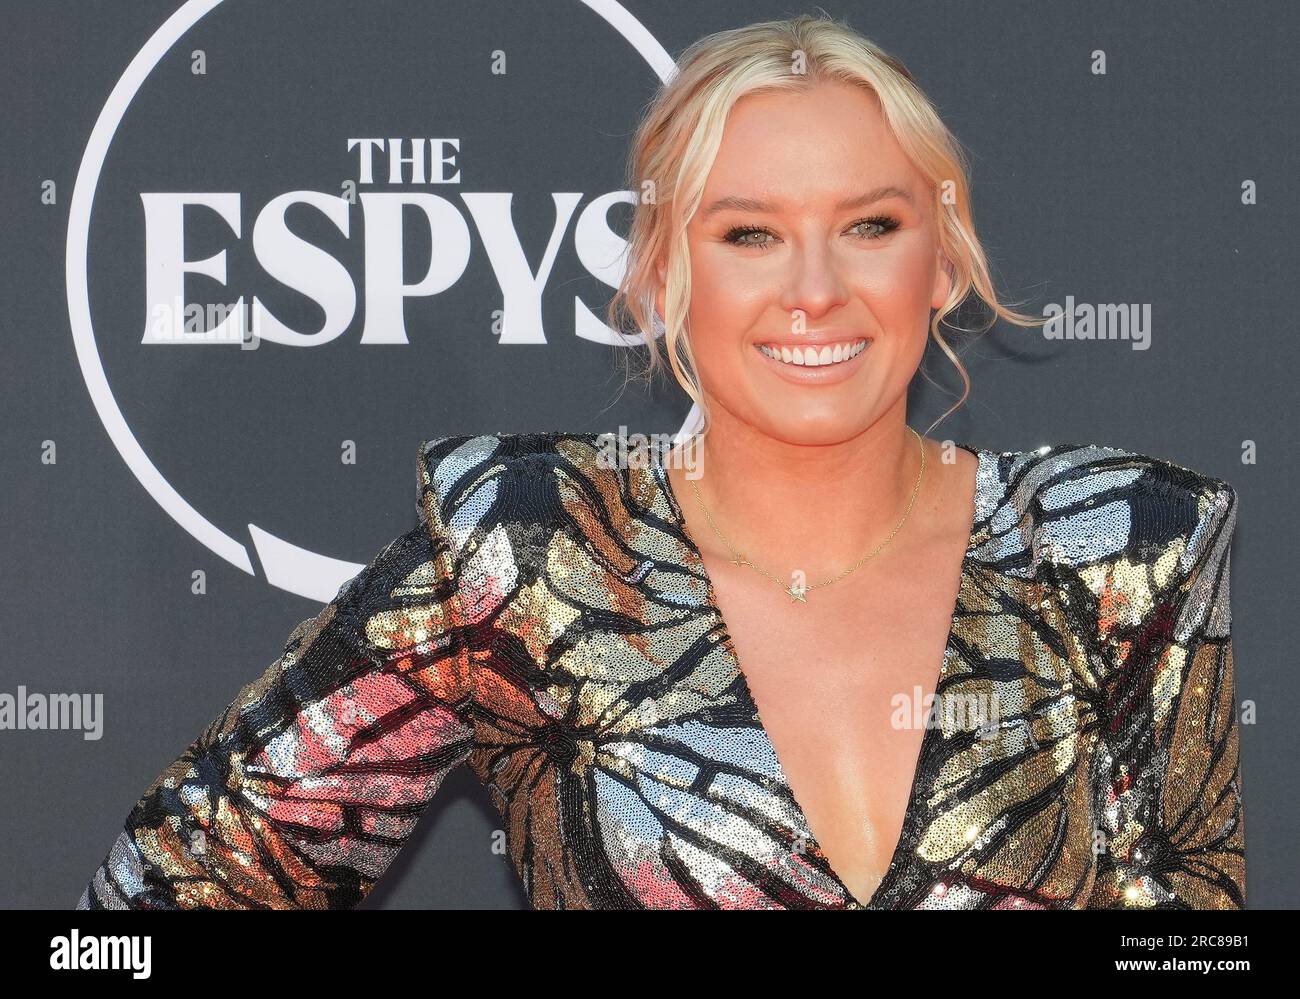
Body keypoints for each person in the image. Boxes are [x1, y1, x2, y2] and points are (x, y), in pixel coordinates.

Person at [76, 13, 1244, 910]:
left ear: (941, 265)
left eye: (870, 225)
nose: (815, 289)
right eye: (749, 234)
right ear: (657, 282)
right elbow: (169, 888)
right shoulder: (532, 551)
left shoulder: (1118, 547)